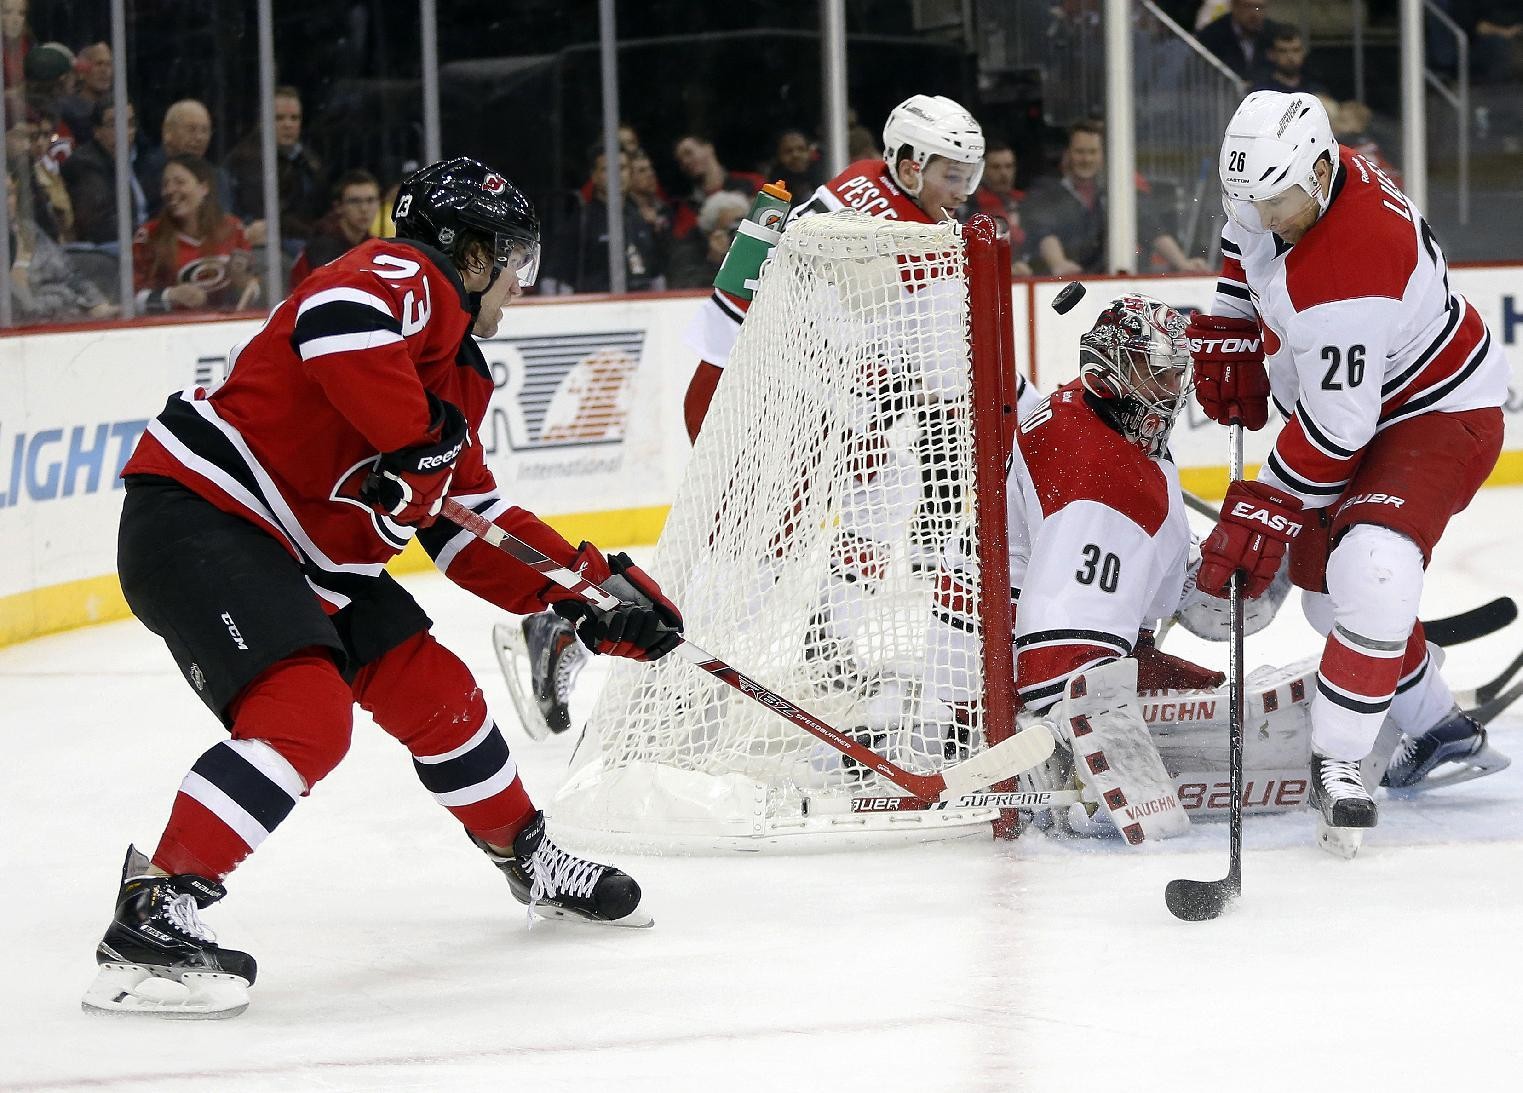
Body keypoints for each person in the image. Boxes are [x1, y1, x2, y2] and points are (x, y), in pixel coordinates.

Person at [82, 156, 684, 1020]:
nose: (520, 279)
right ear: (468, 253)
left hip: (310, 558)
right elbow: (334, 318)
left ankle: (529, 855)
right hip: (207, 514)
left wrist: (583, 592)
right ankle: (154, 912)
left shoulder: (461, 375)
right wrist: (415, 443)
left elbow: (467, 519)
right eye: (512, 257)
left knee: (436, 692)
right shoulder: (407, 274)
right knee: (304, 717)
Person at [508, 95, 1041, 737]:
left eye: (969, 175)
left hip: (787, 397)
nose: (963, 191)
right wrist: (1040, 412)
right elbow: (953, 366)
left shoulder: (867, 185)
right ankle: (583, 629)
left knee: (884, 482)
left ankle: (827, 642)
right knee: (751, 560)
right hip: (761, 406)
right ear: (908, 164)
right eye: (951, 174)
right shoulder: (907, 238)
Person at [1188, 91, 1511, 852]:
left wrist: (1263, 504)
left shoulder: (1349, 264)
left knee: (1371, 567)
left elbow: (1337, 432)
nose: (1265, 218)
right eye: (1250, 201)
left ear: (1324, 170)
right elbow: (1244, 240)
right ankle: (1440, 730)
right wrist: (1234, 321)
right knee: (1330, 606)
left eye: (1279, 204)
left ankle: (1337, 761)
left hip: (1436, 412)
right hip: (1361, 405)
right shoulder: (1286, 177)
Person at [846, 294, 1221, 838]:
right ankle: (960, 743)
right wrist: (1091, 732)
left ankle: (939, 729)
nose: (1170, 390)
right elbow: (1058, 666)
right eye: (1154, 374)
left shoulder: (1083, 410)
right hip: (997, 669)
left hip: (970, 629)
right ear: (1108, 372)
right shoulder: (1102, 484)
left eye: (1174, 374)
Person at [1025, 121, 1209, 275]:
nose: (1086, 159)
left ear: (1103, 155)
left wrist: (1182, 263)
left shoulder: (1118, 193)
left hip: (1109, 281)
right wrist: (1058, 263)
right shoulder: (1048, 193)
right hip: (1065, 287)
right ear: (1067, 154)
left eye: (1092, 152)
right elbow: (1044, 232)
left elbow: (1151, 228)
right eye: (1080, 152)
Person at [131, 153, 258, 313]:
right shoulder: (149, 235)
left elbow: (254, 291)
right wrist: (170, 295)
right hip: (170, 329)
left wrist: (243, 283)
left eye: (179, 182)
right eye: (165, 184)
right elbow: (130, 299)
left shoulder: (233, 228)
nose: (169, 190)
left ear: (203, 188)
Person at [541, 146, 664, 294]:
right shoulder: (582, 220)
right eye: (607, 169)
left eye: (622, 168)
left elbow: (656, 275)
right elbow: (554, 278)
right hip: (596, 310)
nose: (617, 175)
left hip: (642, 308)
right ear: (594, 176)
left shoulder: (639, 218)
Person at [6, 168, 116, 320]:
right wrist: (74, 303)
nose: (5, 202)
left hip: (66, 315)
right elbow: (25, 309)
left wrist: (98, 303)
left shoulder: (29, 230)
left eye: (9, 194)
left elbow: (70, 275)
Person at [225, 85, 327, 247]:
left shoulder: (309, 161)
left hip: (305, 239)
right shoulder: (247, 160)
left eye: (294, 118)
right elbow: (263, 214)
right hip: (269, 243)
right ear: (262, 121)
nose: (288, 125)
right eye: (279, 118)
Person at [62, 97, 148, 245]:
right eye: (113, 124)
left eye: (130, 123)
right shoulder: (85, 164)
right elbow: (98, 225)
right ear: (97, 131)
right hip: (108, 248)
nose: (124, 131)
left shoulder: (140, 158)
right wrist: (143, 231)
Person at [136, 98, 235, 218]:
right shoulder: (147, 172)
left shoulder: (218, 176)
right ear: (168, 133)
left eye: (205, 131)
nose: (199, 138)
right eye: (191, 129)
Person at [288, 168, 379, 287]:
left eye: (370, 200)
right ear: (338, 207)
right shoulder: (317, 250)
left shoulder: (376, 248)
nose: (364, 209)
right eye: (355, 201)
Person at [669, 132, 765, 241]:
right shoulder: (688, 208)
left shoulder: (753, 181)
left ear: (708, 148)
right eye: (680, 161)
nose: (685, 161)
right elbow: (685, 246)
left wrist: (746, 211)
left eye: (689, 153)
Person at [961, 138, 1031, 274]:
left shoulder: (1025, 201)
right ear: (982, 170)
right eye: (996, 167)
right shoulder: (970, 204)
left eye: (1009, 166)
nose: (1004, 173)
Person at [666, 188, 747, 289]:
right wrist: (714, 261)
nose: (737, 234)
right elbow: (685, 291)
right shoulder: (687, 252)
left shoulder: (749, 249)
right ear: (711, 231)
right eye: (730, 230)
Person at [1194, 0, 1279, 80]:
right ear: (1234, 7)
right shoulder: (1211, 35)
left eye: (1259, 7)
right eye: (1247, 7)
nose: (1254, 14)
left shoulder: (1274, 34)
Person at [1251, 25, 1329, 97]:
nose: (1290, 57)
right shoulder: (1262, 92)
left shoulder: (1315, 89)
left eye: (1296, 50)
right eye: (1283, 51)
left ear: (1304, 52)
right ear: (1271, 54)